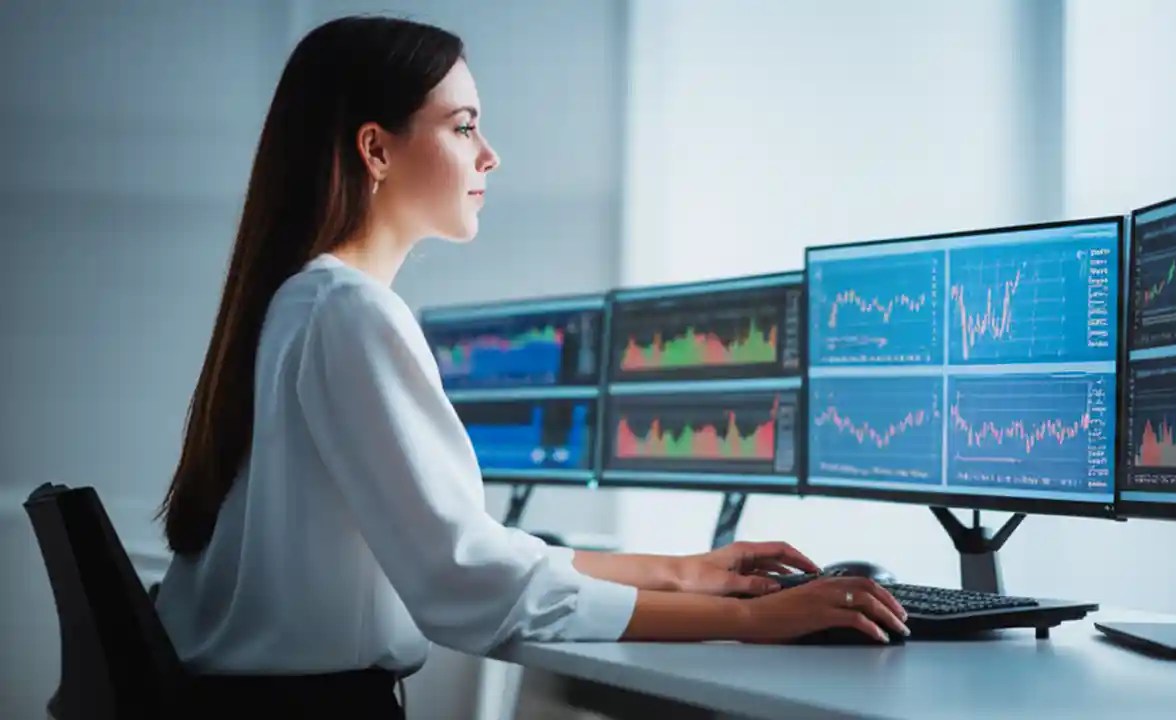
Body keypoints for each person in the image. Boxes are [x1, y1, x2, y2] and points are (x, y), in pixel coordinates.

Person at [152, 15, 908, 718]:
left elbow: (469, 550)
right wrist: (753, 620)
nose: (490, 155)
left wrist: (683, 572)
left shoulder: (304, 301)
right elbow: (466, 581)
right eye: (463, 126)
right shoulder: (348, 311)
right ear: (376, 149)